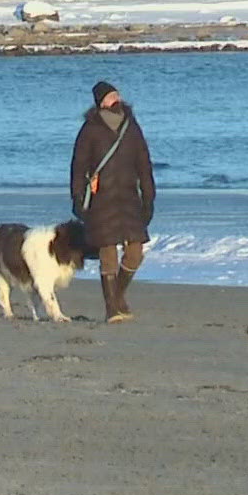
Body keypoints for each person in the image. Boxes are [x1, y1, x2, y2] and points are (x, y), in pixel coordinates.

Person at [70, 80, 154, 323]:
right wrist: (77, 198)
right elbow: (78, 167)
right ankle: (112, 308)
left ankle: (116, 296)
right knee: (108, 254)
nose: (116, 99)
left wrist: (148, 197)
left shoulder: (132, 126)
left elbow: (144, 164)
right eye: (110, 96)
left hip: (129, 198)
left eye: (117, 94)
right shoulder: (90, 129)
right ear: (100, 103)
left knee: (135, 253)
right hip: (101, 200)